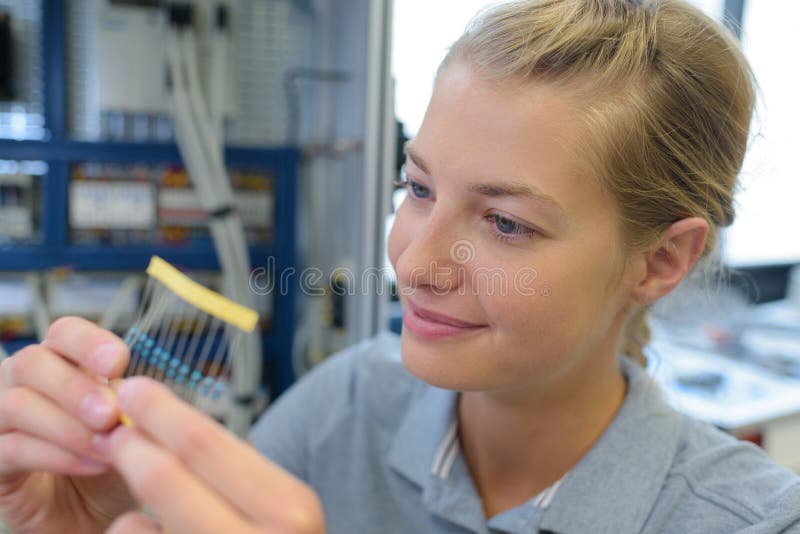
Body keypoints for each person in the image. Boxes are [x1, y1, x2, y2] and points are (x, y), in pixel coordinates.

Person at [1, 0, 799, 532]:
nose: (415, 264)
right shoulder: (347, 404)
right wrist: (97, 519)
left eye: (505, 222)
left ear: (660, 261)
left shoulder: (751, 519)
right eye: (417, 187)